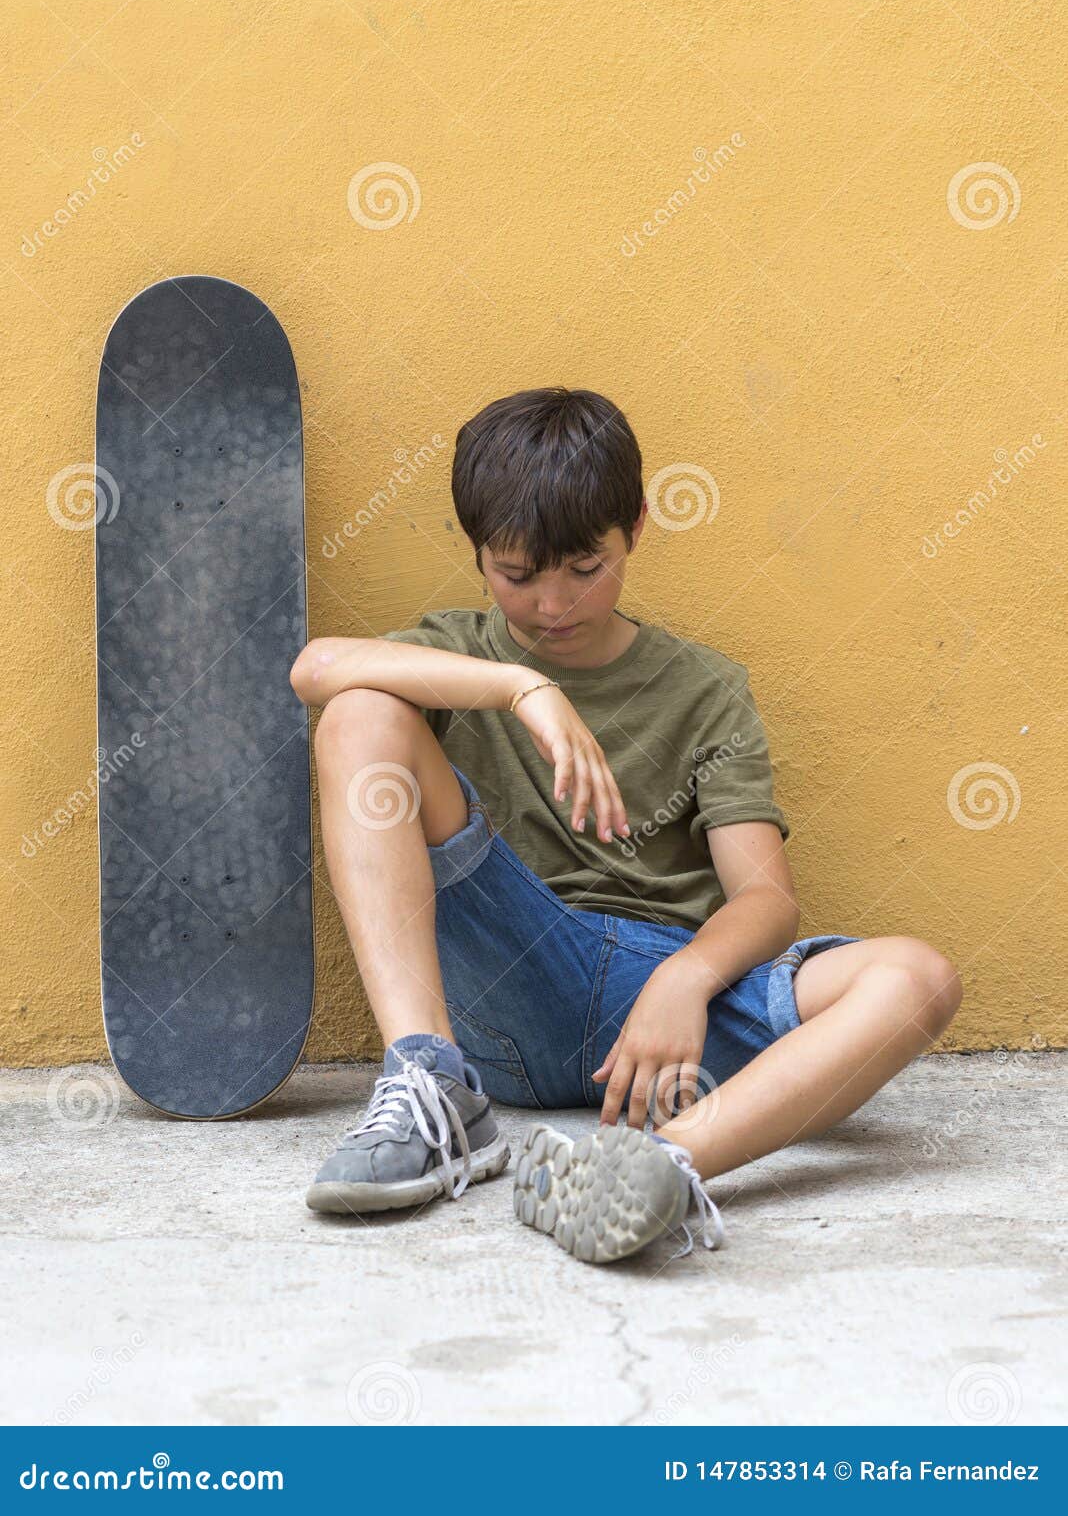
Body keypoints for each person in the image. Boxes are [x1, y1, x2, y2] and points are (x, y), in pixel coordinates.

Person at [290, 387, 962, 1263]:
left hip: (674, 1011)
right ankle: (433, 1084)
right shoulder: (461, 653)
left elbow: (765, 898)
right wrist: (522, 688)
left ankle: (653, 1167)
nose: (553, 605)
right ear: (478, 554)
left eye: (584, 568)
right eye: (517, 574)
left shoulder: (707, 689)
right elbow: (316, 668)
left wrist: (684, 980)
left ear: (636, 529)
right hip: (510, 971)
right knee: (359, 716)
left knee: (920, 978)